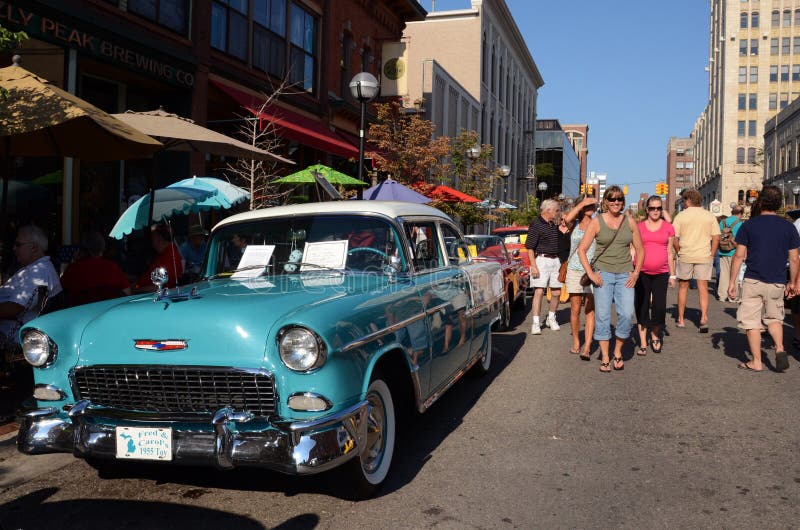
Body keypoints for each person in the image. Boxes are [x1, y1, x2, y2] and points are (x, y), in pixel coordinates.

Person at [728, 185, 800, 372]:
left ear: (761, 202)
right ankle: (780, 347)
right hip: (777, 280)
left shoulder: (749, 225)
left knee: (751, 321)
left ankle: (757, 362)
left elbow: (739, 256)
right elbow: (794, 258)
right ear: (779, 203)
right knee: (775, 318)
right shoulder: (789, 227)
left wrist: (731, 282)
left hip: (753, 279)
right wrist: (792, 282)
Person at [578, 186, 645, 373]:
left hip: (625, 274)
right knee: (603, 316)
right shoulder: (597, 222)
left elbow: (640, 249)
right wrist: (591, 274)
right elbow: (582, 249)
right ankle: (606, 357)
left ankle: (618, 351)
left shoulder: (629, 221)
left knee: (626, 315)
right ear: (605, 202)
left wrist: (636, 272)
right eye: (612, 199)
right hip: (603, 274)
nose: (616, 202)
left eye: (619, 199)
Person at [0, 225, 62, 343]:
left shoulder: (37, 271)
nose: (14, 248)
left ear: (33, 247)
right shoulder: (37, 268)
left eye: (18, 244)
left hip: (12, 335)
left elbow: (15, 307)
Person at [672, 189, 720, 332]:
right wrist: (712, 253)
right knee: (703, 287)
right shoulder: (709, 216)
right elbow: (716, 237)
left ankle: (681, 319)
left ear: (687, 200)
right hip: (704, 255)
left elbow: (673, 237)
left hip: (686, 254)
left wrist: (678, 250)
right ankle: (704, 317)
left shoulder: (681, 216)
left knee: (683, 287)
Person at [634, 195, 676, 355]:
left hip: (662, 273)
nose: (656, 211)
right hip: (642, 273)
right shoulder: (639, 227)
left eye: (659, 208)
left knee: (659, 307)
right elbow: (634, 249)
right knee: (642, 306)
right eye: (652, 208)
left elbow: (670, 251)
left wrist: (672, 275)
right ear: (647, 210)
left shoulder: (668, 227)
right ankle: (643, 342)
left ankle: (655, 334)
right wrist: (632, 271)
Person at [561, 195, 598, 360]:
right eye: (587, 205)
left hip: (592, 271)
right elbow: (567, 218)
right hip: (575, 270)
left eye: (592, 205)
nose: (591, 208)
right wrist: (583, 203)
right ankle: (576, 341)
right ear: (581, 207)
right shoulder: (574, 224)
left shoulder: (598, 223)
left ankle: (588, 346)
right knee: (575, 309)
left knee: (590, 309)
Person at [60, 230, 130, 305]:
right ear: (102, 248)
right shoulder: (113, 267)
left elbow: (61, 295)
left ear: (82, 249)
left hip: (81, 314)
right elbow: (127, 293)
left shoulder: (72, 270)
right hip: (108, 312)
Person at [526, 199, 563, 334]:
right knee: (539, 291)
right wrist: (534, 266)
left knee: (556, 292)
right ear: (548, 210)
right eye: (556, 210)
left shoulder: (554, 224)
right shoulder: (536, 224)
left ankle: (551, 318)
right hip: (541, 260)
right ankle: (536, 322)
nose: (558, 212)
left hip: (556, 260)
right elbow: (530, 247)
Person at [133, 224, 183, 292]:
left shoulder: (170, 256)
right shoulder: (164, 254)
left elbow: (159, 287)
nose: (151, 240)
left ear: (158, 237)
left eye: (152, 237)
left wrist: (134, 290)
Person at [717, 206, 744, 302]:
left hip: (722, 250)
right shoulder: (740, 224)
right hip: (735, 251)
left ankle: (722, 295)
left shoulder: (722, 222)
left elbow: (717, 235)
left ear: (732, 212)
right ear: (741, 213)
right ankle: (732, 296)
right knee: (734, 274)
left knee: (724, 273)